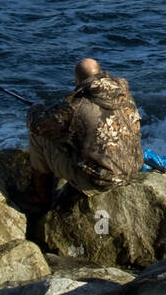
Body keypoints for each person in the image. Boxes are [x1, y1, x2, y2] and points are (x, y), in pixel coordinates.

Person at [26, 57, 143, 211]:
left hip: (101, 181)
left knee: (38, 137)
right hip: (132, 169)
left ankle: (41, 197)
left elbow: (38, 125)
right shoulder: (124, 93)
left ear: (77, 80)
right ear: (101, 73)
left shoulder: (76, 104)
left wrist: (35, 109)